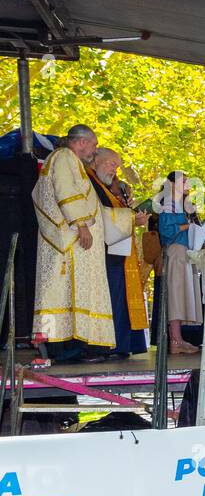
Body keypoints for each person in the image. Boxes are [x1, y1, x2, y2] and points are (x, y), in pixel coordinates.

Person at [30, 125, 116, 362]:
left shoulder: (63, 159)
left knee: (61, 292)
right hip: (71, 244)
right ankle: (75, 345)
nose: (94, 151)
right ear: (81, 142)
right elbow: (65, 191)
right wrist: (81, 224)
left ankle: (73, 344)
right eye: (94, 145)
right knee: (67, 292)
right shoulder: (64, 157)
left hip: (71, 243)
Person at [87, 148, 148, 358]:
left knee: (122, 298)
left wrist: (129, 211)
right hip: (103, 252)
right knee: (112, 298)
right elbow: (100, 216)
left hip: (119, 251)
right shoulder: (89, 182)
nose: (116, 169)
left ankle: (123, 343)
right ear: (96, 160)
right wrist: (131, 219)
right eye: (112, 163)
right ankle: (110, 344)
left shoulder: (109, 186)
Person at [157, 170, 202, 355]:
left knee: (183, 295)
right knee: (176, 295)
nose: (188, 186)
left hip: (185, 251)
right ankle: (175, 340)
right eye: (184, 182)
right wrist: (187, 226)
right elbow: (165, 230)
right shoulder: (168, 204)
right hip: (175, 249)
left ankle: (179, 339)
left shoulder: (183, 205)